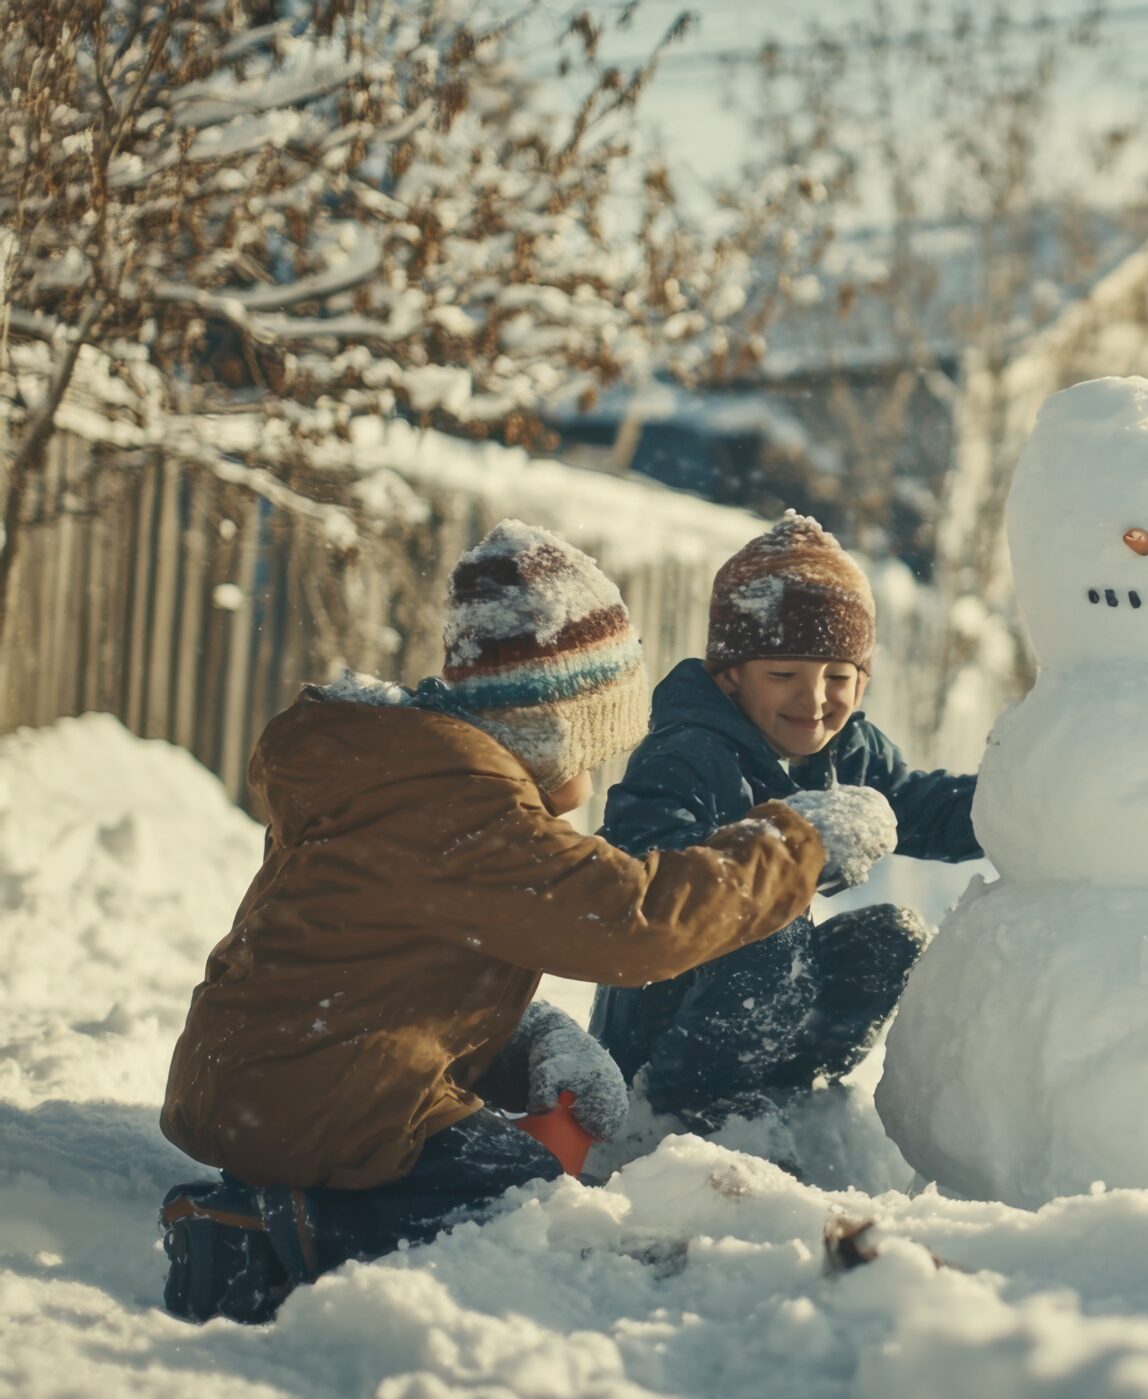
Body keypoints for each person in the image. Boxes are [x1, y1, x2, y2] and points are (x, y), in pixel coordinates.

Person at [156, 521, 877, 1324]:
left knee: (512, 1173)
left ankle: (284, 1196)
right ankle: (269, 1235)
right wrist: (793, 846)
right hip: (319, 1098)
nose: (597, 770)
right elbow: (631, 921)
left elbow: (380, 969)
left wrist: (531, 1042)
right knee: (514, 1195)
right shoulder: (465, 807)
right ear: (555, 727)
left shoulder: (397, 777)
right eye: (595, 743)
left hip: (267, 1075)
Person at [589, 514, 980, 1151]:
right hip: (661, 1023)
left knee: (892, 938)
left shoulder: (847, 749)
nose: (814, 699)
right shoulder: (687, 753)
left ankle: (789, 1094)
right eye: (783, 676)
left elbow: (924, 809)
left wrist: (1023, 791)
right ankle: (682, 1117)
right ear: (730, 676)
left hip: (762, 1023)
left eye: (837, 676)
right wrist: (788, 845)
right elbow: (638, 871)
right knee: (772, 919)